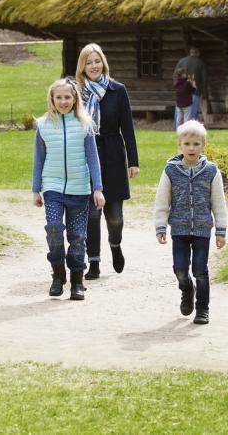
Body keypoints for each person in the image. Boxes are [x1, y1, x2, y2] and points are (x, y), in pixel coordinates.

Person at [32, 77, 105, 301]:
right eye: (59, 97)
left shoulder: (85, 124)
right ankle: (57, 274)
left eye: (67, 97)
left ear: (75, 99)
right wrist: (36, 189)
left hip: (80, 188)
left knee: (77, 236)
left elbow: (93, 159)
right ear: (52, 100)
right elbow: (39, 158)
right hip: (52, 187)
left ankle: (76, 280)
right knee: (54, 229)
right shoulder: (43, 126)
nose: (63, 101)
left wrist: (98, 188)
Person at [154, 120, 228, 325]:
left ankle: (203, 309)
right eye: (187, 144)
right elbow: (162, 200)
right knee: (180, 269)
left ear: (203, 145)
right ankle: (187, 289)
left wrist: (221, 231)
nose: (191, 148)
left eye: (196, 144)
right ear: (180, 145)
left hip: (202, 230)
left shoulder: (211, 171)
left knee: (200, 270)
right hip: (179, 228)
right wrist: (160, 226)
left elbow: (219, 203)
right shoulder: (170, 170)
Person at [75, 43, 139, 278]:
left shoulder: (117, 90)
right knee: (91, 214)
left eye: (97, 61)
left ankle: (115, 244)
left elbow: (128, 129)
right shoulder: (77, 93)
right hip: (86, 155)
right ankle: (93, 262)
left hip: (112, 153)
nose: (93, 66)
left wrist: (133, 161)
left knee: (115, 217)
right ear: (82, 67)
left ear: (103, 62)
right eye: (88, 62)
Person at [173, 46, 207, 121]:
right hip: (194, 91)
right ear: (197, 53)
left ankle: (177, 128)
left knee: (179, 112)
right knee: (192, 112)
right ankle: (191, 129)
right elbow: (204, 79)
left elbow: (175, 75)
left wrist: (177, 88)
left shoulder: (181, 61)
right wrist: (204, 93)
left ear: (190, 52)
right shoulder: (200, 62)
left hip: (181, 92)